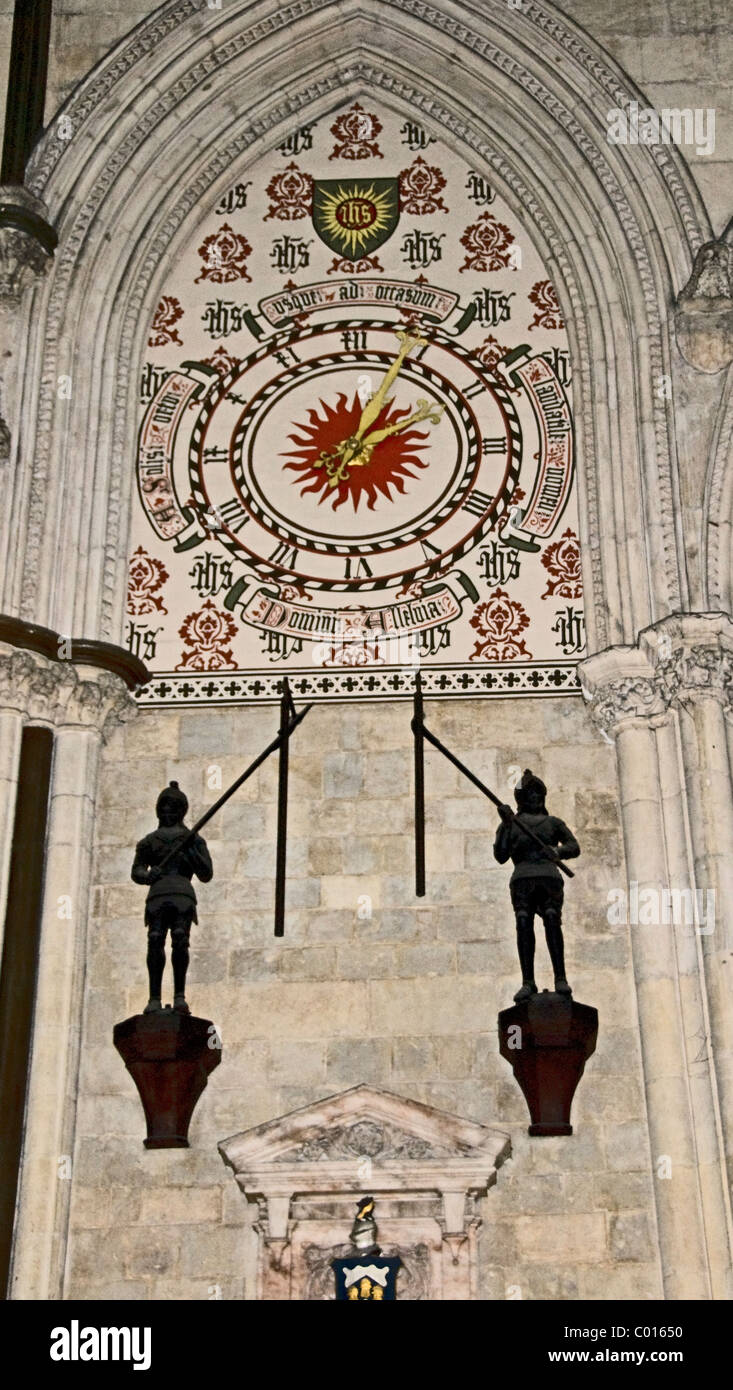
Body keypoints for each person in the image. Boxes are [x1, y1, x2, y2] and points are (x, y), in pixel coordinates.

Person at [494, 769, 579, 1003]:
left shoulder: (552, 823)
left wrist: (558, 851)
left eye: (538, 794)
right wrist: (506, 825)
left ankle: (560, 978)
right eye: (530, 795)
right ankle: (528, 982)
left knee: (552, 919)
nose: (535, 798)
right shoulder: (512, 824)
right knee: (523, 923)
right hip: (522, 878)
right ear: (522, 800)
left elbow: (573, 846)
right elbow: (500, 855)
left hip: (548, 877)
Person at [131, 781, 213, 1014]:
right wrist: (148, 875)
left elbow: (206, 873)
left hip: (182, 894)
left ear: (181, 811)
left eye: (173, 808)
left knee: (180, 940)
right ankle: (154, 998)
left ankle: (179, 996)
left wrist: (190, 850)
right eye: (164, 807)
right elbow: (136, 871)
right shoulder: (149, 841)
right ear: (159, 810)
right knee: (155, 940)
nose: (168, 812)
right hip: (157, 895)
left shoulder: (193, 840)